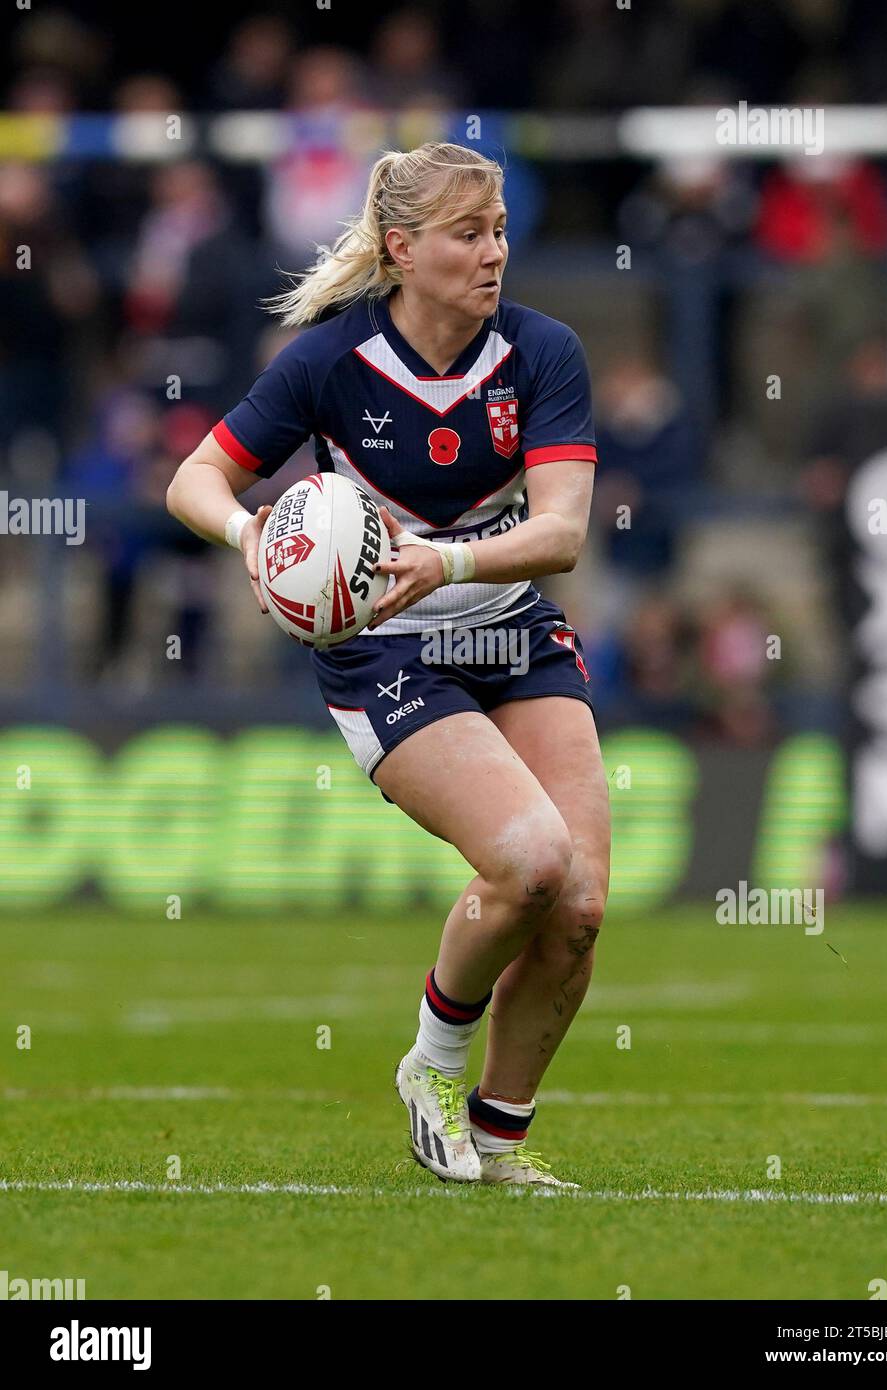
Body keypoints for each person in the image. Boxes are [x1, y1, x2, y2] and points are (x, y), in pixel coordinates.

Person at [166, 142, 609, 1188]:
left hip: (510, 631)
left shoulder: (542, 352)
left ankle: (498, 1147)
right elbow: (194, 477)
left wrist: (442, 558)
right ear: (401, 249)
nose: (493, 253)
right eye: (468, 234)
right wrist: (250, 539)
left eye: (498, 230)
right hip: (383, 651)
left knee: (580, 906)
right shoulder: (326, 361)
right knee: (529, 863)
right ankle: (432, 1067)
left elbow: (562, 534)